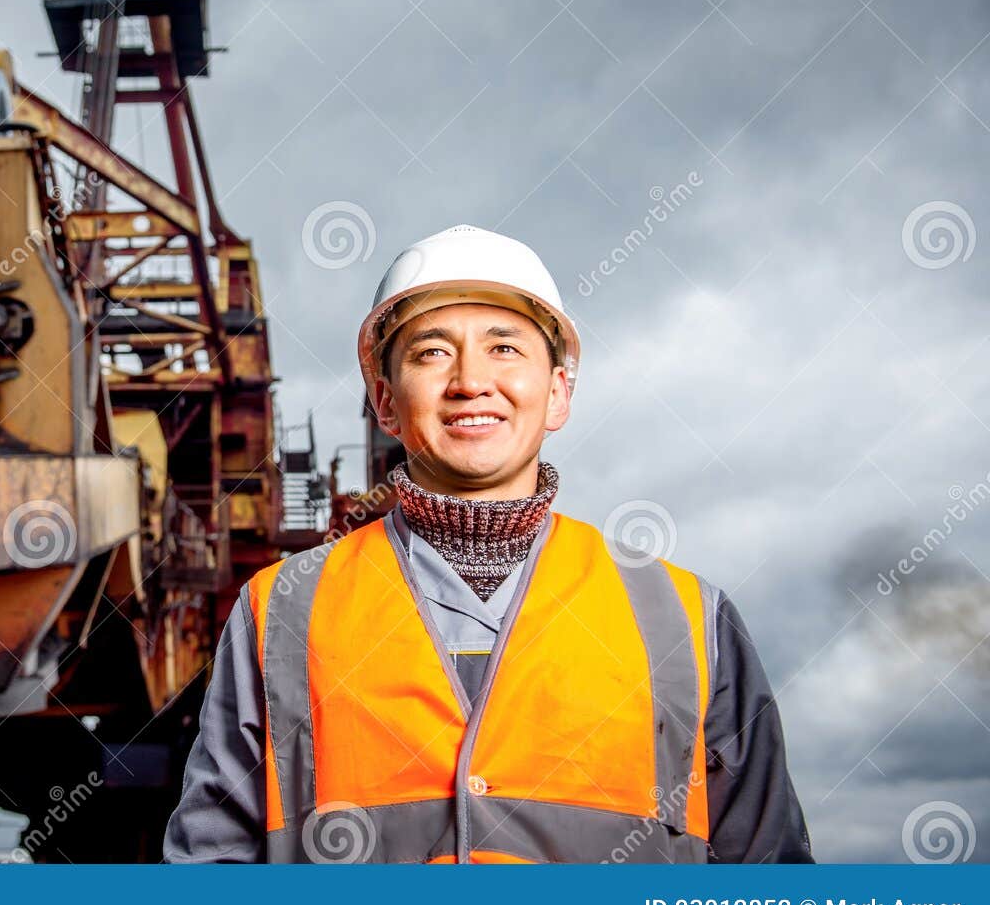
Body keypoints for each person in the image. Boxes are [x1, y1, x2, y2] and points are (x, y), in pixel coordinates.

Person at [163, 225, 813, 863]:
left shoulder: (689, 618)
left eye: (505, 348)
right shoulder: (279, 612)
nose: (470, 380)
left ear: (557, 393)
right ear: (385, 402)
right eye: (431, 352)